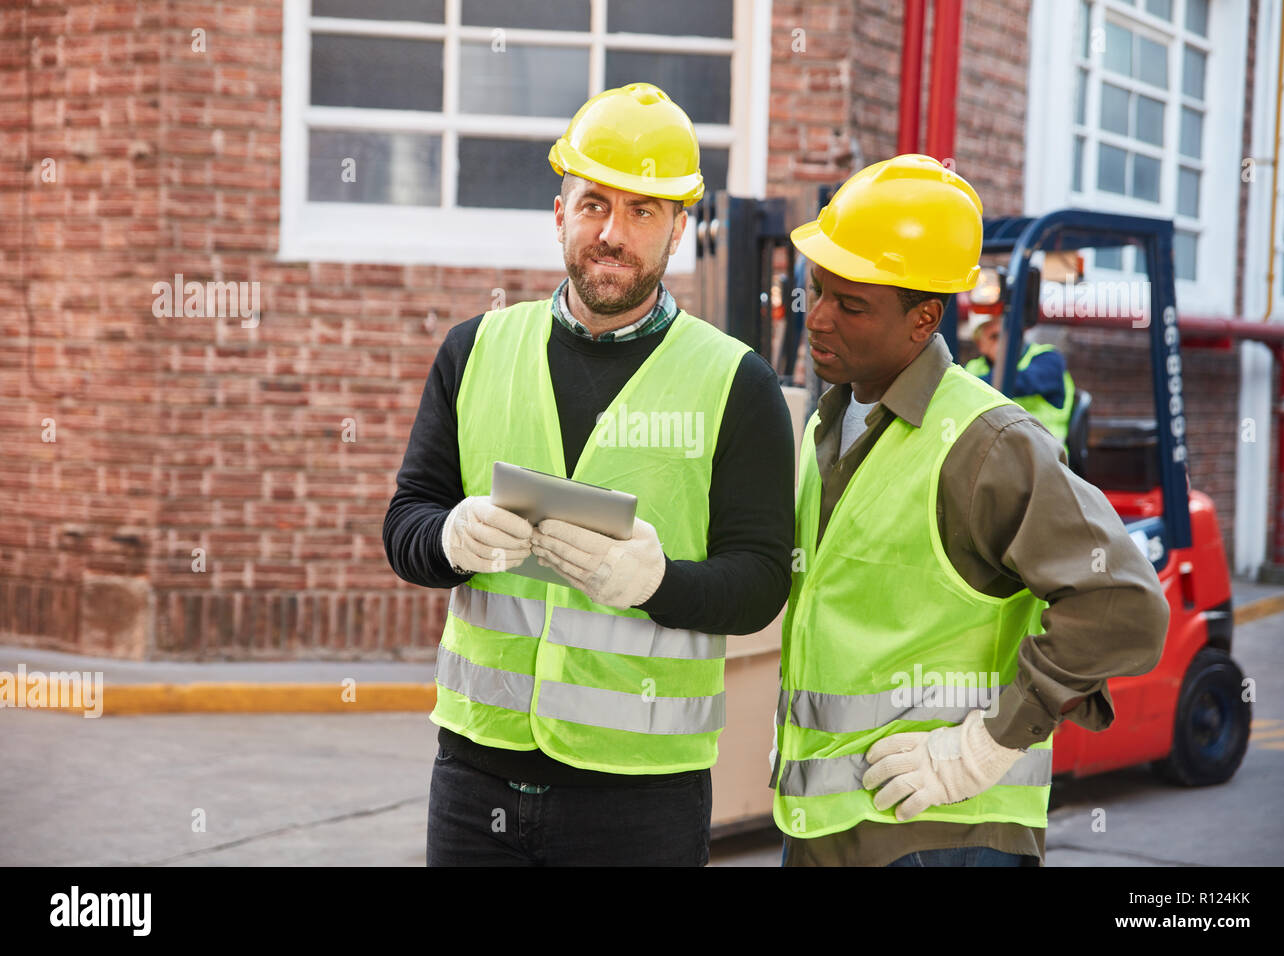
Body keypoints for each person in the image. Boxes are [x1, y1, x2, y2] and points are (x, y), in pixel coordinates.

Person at [383, 83, 794, 867]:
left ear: (679, 229)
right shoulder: (474, 352)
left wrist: (658, 583)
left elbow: (763, 581)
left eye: (644, 211)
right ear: (560, 211)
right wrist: (449, 537)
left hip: (641, 801)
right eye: (595, 203)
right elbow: (405, 525)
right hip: (476, 779)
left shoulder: (737, 384)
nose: (614, 232)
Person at [771, 154, 1168, 867]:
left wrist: (983, 745)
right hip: (830, 829)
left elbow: (1126, 606)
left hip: (945, 834)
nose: (819, 318)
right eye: (816, 289)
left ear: (924, 318)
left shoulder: (987, 443)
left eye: (851, 304)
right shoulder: (829, 424)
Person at [965, 311, 1075, 447]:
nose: (1003, 341)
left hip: (1044, 453)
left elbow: (1019, 382)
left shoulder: (1048, 358)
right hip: (995, 451)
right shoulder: (973, 367)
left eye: (1007, 333)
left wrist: (968, 386)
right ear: (980, 344)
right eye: (994, 337)